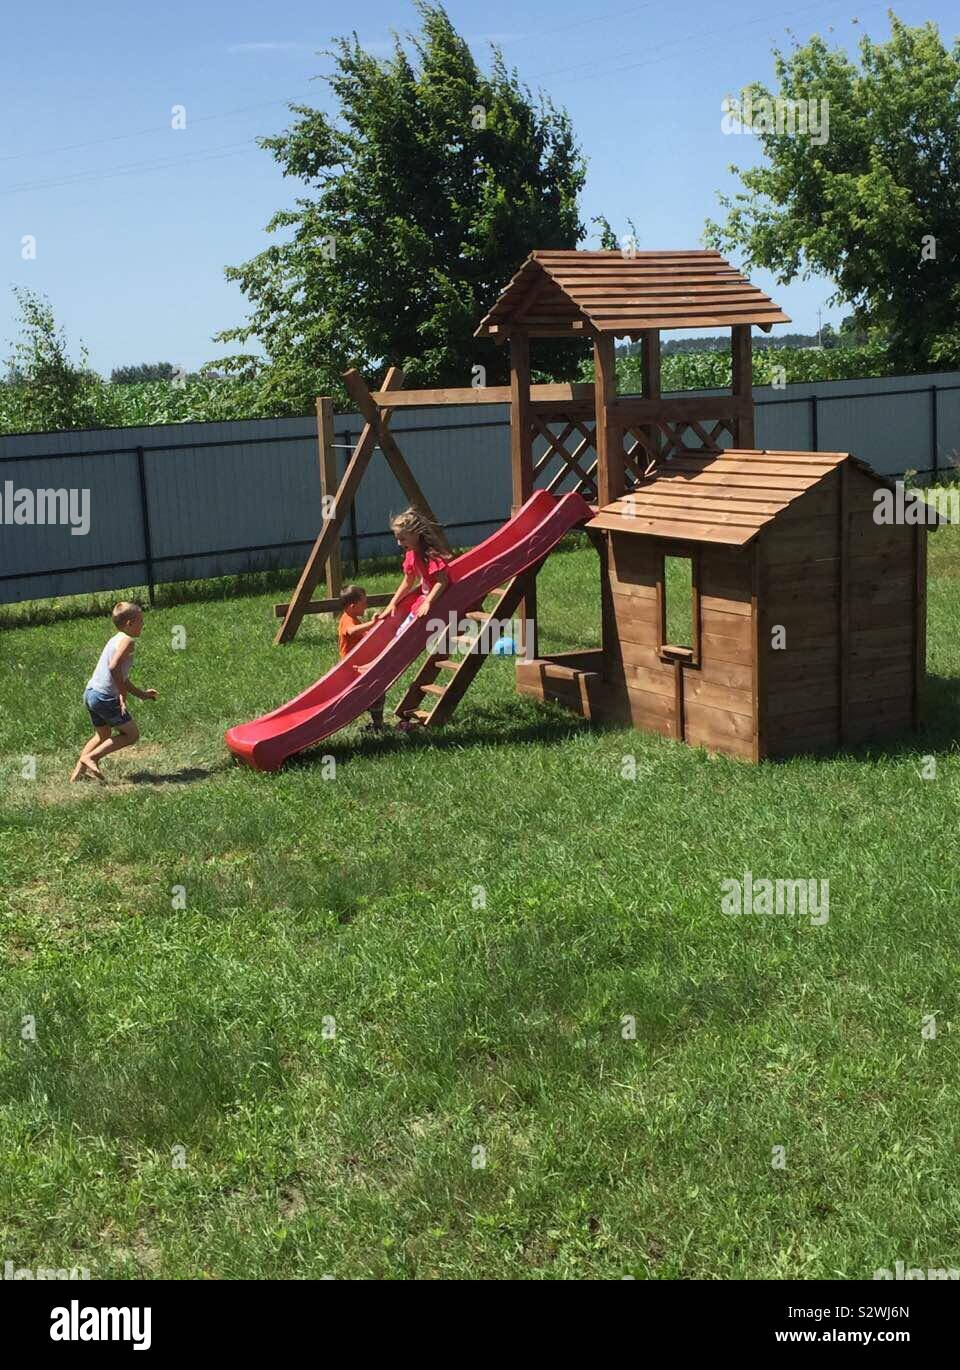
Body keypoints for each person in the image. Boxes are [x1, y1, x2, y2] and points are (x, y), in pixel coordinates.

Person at [71, 601, 158, 782]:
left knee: (102, 735)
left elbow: (121, 676)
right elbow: (113, 667)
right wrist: (121, 694)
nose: (143, 624)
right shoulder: (128, 641)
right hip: (104, 697)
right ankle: (92, 758)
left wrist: (141, 694)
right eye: (140, 621)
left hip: (91, 693)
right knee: (132, 735)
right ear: (130, 623)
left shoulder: (115, 639)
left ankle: (77, 775)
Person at [378, 509, 453, 624]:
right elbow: (408, 582)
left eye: (402, 539)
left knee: (414, 620)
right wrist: (392, 603)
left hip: (440, 597)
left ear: (416, 535)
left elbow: (442, 581)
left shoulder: (430, 555)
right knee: (405, 625)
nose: (399, 543)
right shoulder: (411, 554)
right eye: (397, 539)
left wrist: (427, 602)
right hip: (427, 596)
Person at [337, 585, 385, 731]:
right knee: (376, 692)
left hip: (360, 667)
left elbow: (364, 637)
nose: (366, 605)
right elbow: (351, 632)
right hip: (352, 668)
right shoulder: (347, 620)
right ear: (353, 606)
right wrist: (371, 624)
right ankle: (376, 724)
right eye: (364, 603)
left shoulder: (355, 619)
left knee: (377, 692)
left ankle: (376, 724)